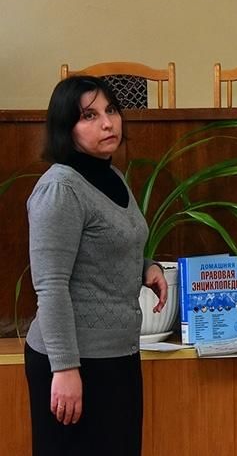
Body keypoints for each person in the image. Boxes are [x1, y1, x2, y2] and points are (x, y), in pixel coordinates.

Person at [24, 76, 168, 455]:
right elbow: (51, 285)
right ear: (65, 128)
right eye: (89, 115)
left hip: (119, 355)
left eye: (111, 110)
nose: (107, 123)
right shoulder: (60, 188)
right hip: (73, 362)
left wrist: (145, 268)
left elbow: (108, 244)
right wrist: (64, 368)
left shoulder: (112, 176)